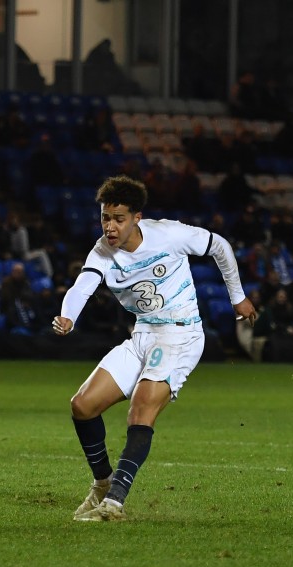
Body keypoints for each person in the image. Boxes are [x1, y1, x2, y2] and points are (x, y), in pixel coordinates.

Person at [51, 175, 256, 522]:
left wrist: (238, 297)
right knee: (82, 406)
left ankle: (114, 504)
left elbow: (218, 245)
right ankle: (103, 483)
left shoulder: (169, 234)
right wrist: (67, 316)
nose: (110, 226)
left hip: (180, 334)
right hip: (143, 334)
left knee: (140, 409)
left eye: (119, 218)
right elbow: (82, 286)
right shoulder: (102, 251)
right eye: (105, 218)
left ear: (136, 218)